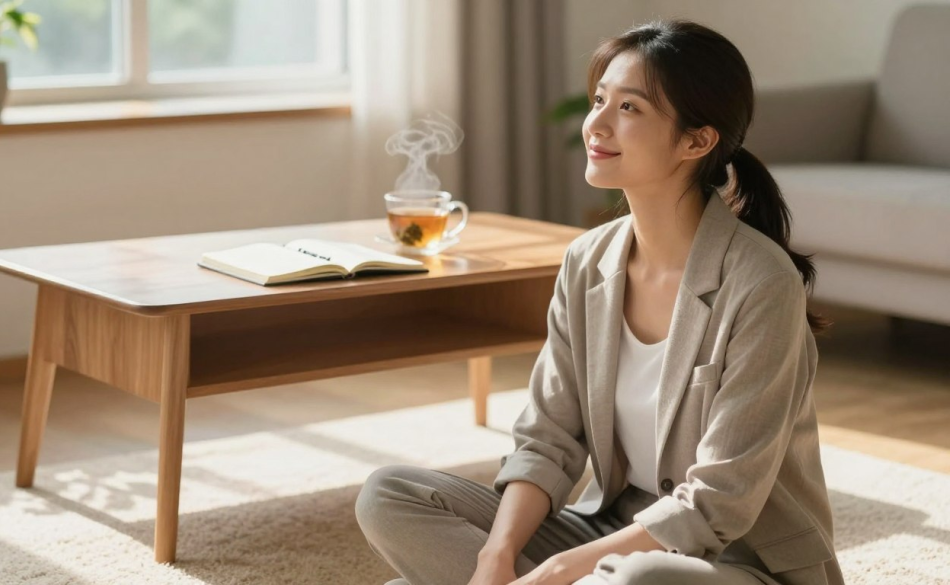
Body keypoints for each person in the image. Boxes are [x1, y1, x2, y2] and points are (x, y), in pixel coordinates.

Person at [355, 18, 845, 585]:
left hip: (734, 560)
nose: (596, 124)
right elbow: (550, 437)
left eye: (629, 108)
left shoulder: (761, 282)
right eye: (598, 100)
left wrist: (557, 570)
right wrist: (495, 557)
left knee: (641, 580)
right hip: (610, 531)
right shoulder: (587, 260)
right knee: (388, 495)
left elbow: (720, 502)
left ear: (697, 140)